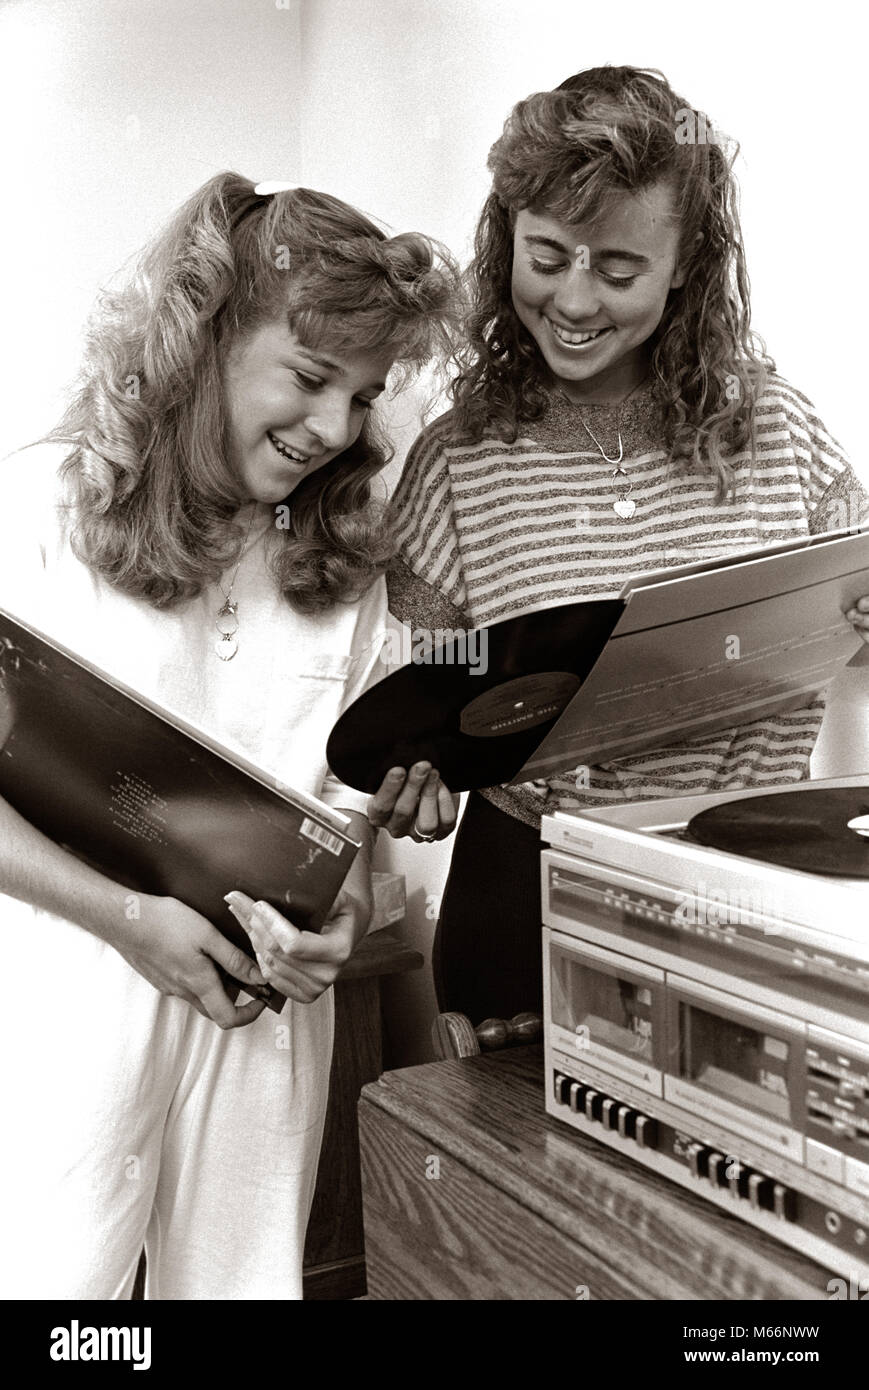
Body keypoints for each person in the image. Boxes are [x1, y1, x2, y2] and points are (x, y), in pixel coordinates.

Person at [0, 172, 457, 1299]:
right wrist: (129, 919)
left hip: (263, 1009)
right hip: (74, 982)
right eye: (308, 377)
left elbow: (342, 824)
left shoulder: (345, 562)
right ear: (204, 338)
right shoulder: (46, 507)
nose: (332, 428)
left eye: (362, 394)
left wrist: (340, 922)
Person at [369, 66, 869, 1022]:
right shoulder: (458, 459)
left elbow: (853, 623)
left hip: (746, 882)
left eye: (619, 267)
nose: (574, 299)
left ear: (684, 264)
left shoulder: (774, 429)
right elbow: (431, 700)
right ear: (503, 237)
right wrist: (418, 771)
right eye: (546, 255)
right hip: (523, 894)